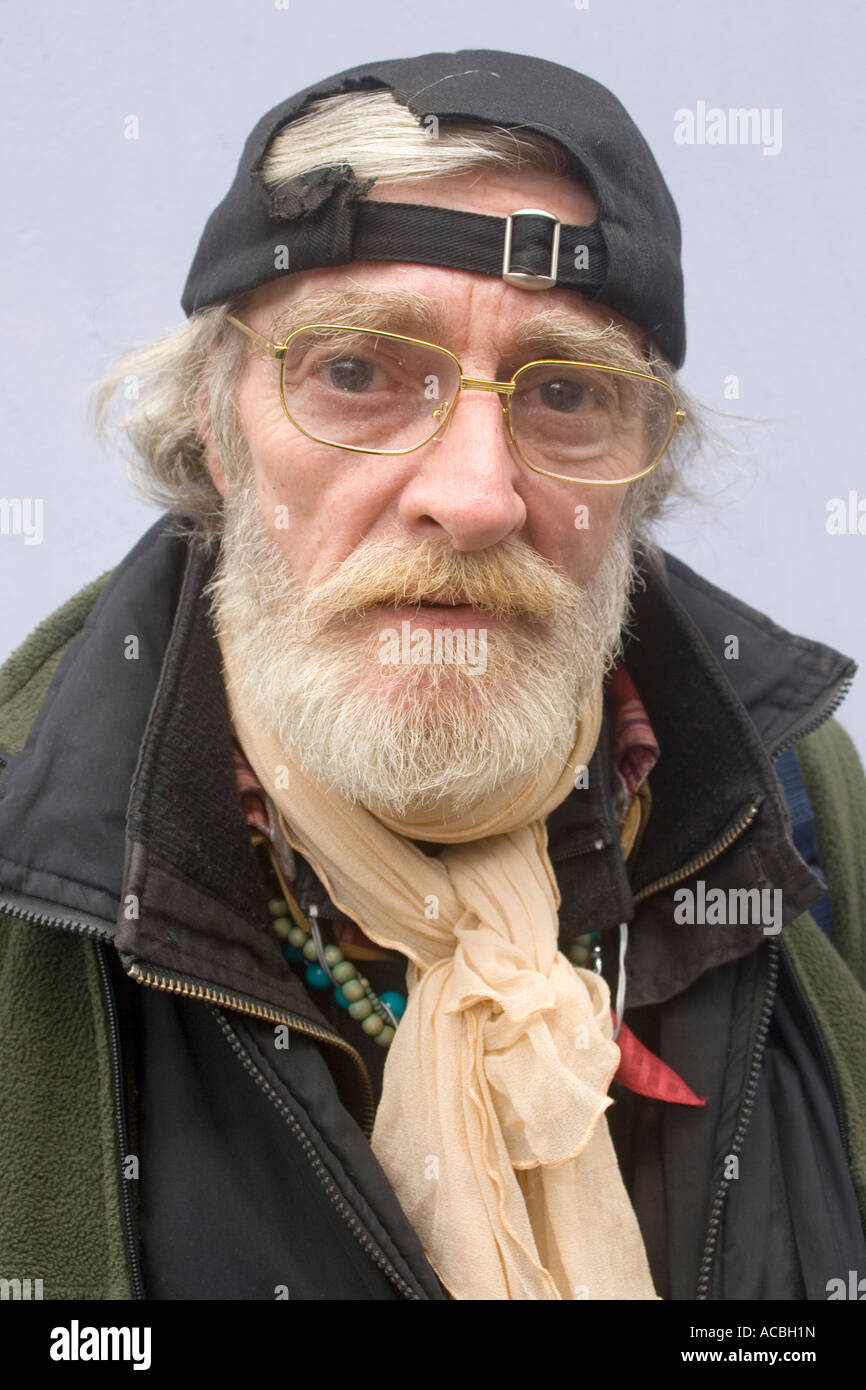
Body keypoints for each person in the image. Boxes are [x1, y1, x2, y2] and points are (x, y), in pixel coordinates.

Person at [0, 48, 864, 1303]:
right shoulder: (37, 852)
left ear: (644, 467)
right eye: (352, 371)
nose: (471, 496)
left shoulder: (790, 802)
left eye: (565, 391)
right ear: (216, 430)